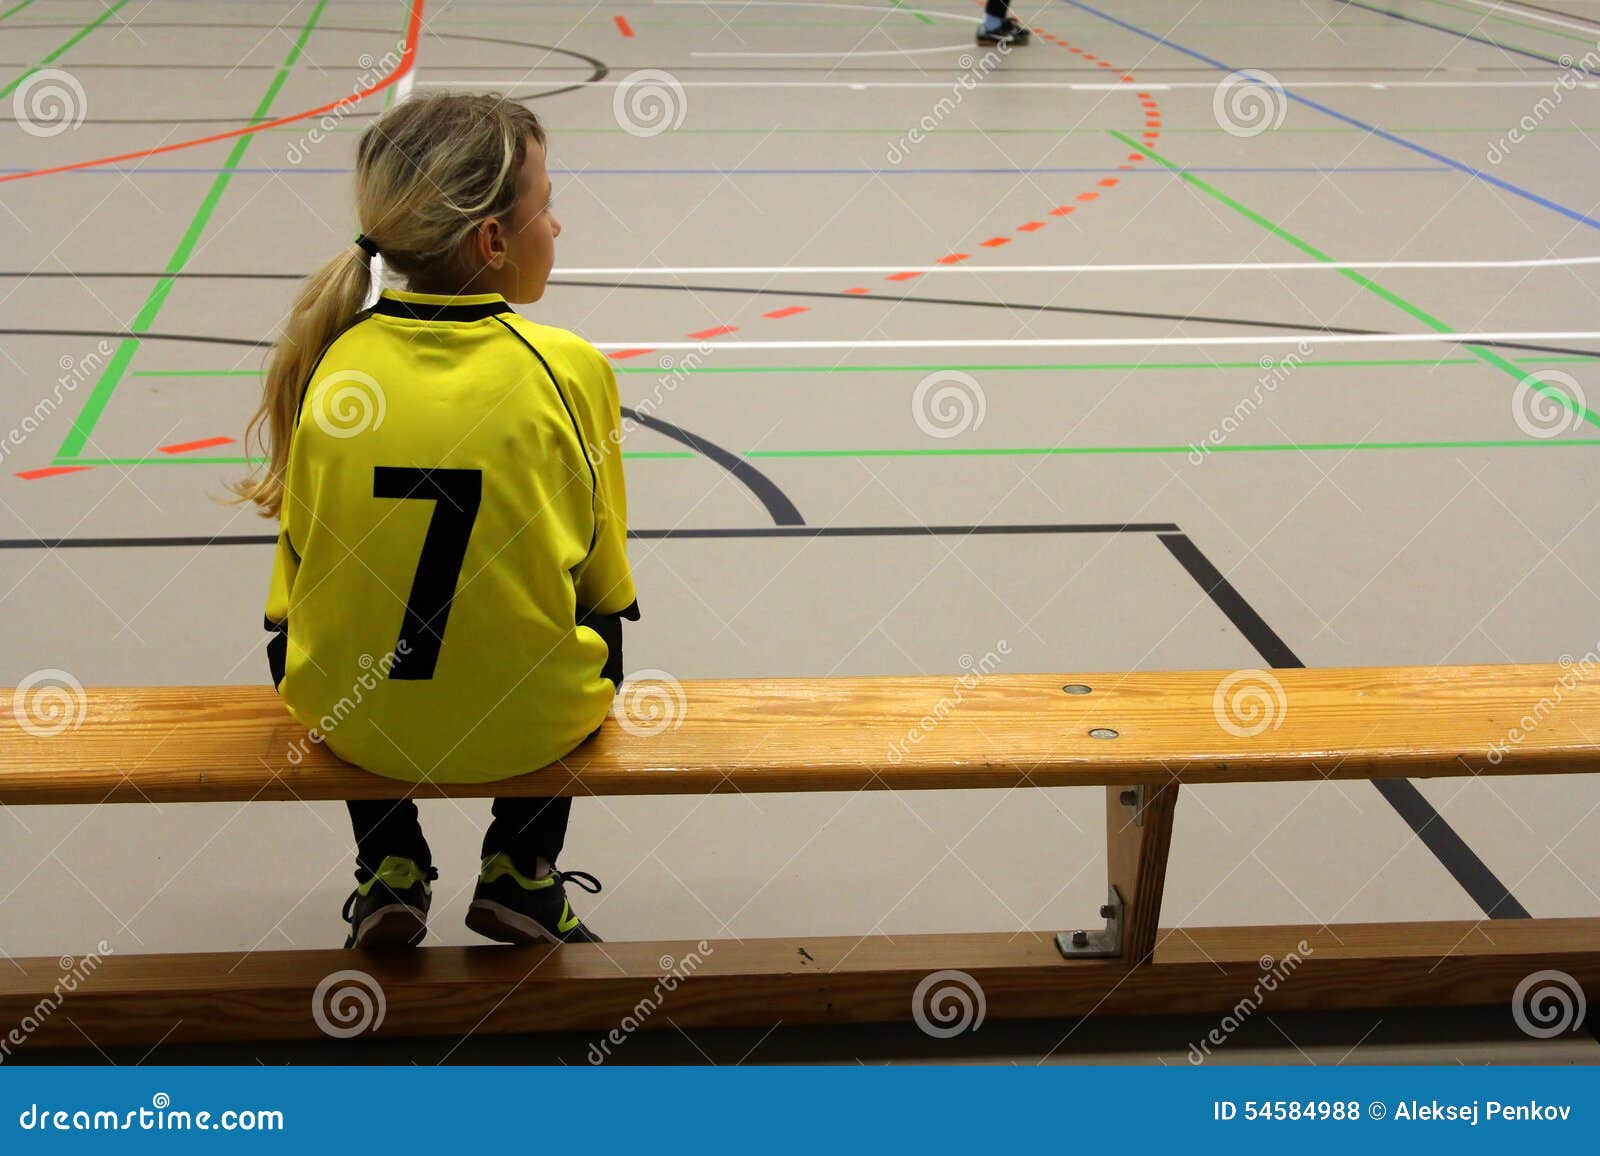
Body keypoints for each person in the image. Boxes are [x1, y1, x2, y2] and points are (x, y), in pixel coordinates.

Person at [232, 92, 638, 950]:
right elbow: (604, 579)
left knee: (300, 624)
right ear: (492, 241)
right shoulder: (568, 368)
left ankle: (389, 865)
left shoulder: (333, 362)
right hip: (531, 717)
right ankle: (523, 871)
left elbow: (297, 583)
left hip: (355, 717)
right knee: (605, 620)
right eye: (546, 205)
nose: (556, 227)